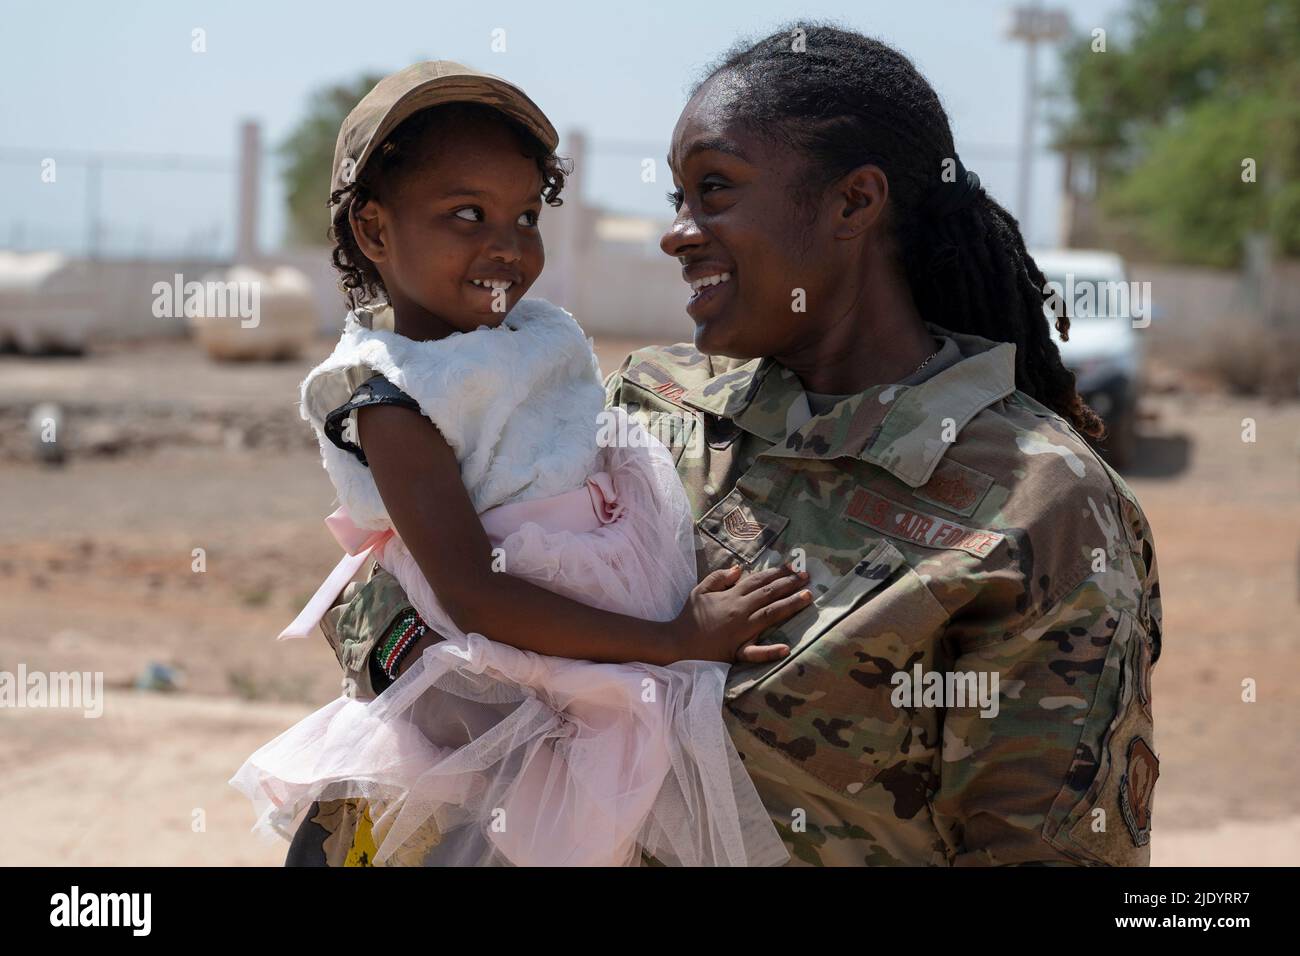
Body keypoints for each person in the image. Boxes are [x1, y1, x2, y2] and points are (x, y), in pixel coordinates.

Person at [294, 25, 1163, 867]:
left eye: (714, 189)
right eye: (677, 196)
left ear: (853, 202)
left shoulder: (1036, 506)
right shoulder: (646, 401)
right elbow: (393, 606)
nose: (676, 232)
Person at [229, 61, 815, 867]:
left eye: (526, 216)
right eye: (466, 214)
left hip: (586, 631)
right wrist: (672, 637)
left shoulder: (536, 334)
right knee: (489, 826)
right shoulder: (390, 395)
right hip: (502, 669)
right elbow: (472, 591)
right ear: (373, 231)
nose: (505, 246)